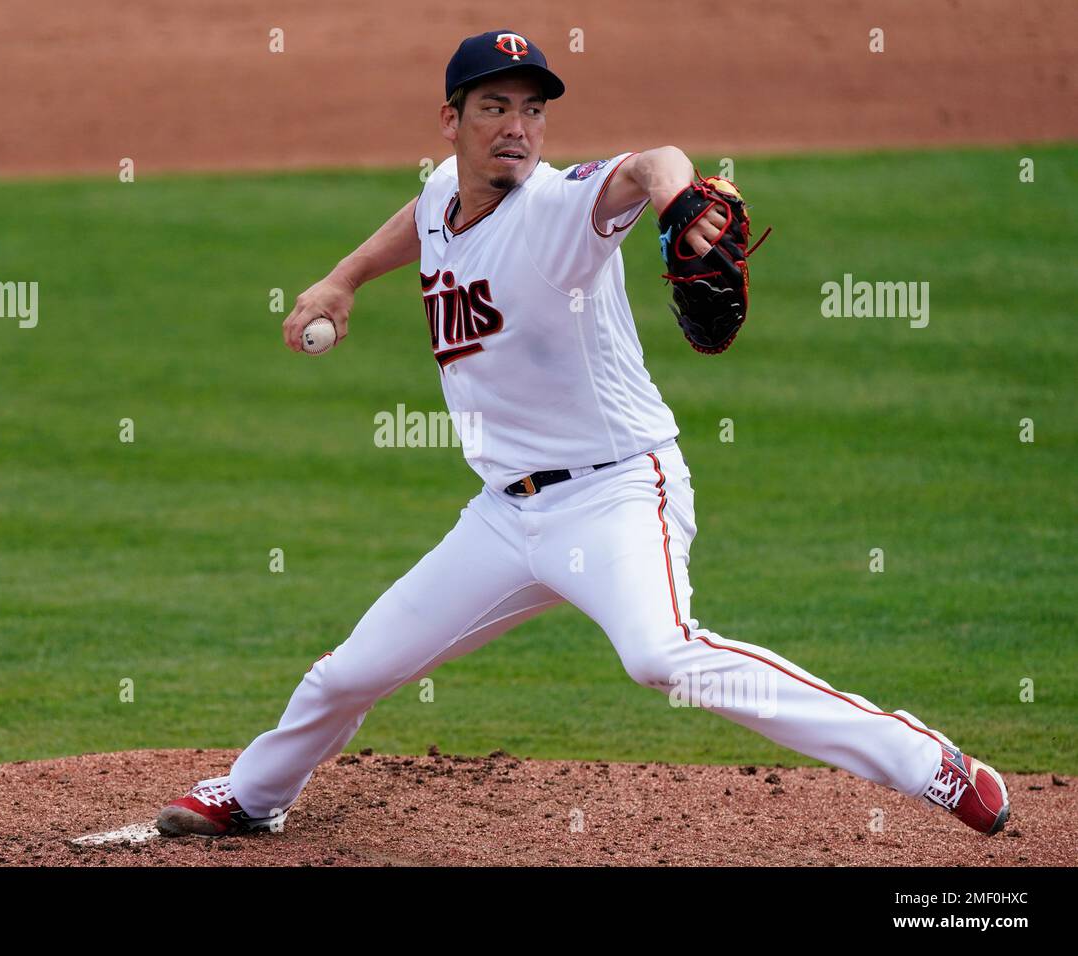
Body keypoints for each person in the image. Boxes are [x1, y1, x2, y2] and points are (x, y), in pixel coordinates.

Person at [156, 29, 1008, 840]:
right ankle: (257, 795)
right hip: (502, 517)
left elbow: (647, 165)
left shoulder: (561, 210)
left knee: (661, 656)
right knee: (350, 671)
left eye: (533, 109)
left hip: (616, 494)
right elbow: (419, 218)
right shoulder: (443, 196)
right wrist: (343, 280)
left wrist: (677, 201)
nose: (518, 128)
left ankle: (927, 761)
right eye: (495, 108)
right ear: (450, 122)